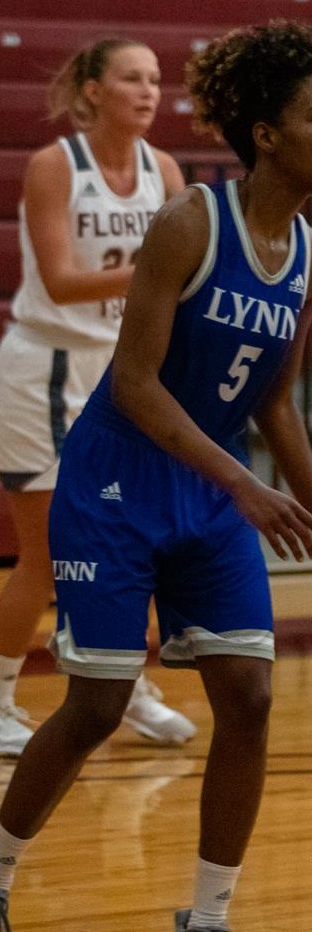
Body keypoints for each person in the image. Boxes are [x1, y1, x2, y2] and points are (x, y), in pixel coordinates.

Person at [0, 20, 312, 932]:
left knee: (250, 696)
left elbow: (276, 405)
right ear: (268, 135)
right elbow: (132, 384)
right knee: (96, 705)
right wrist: (244, 486)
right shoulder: (189, 224)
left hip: (207, 493)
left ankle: (206, 917)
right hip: (118, 477)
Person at [0, 38, 199, 756]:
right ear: (92, 89)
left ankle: (130, 689)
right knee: (48, 554)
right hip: (47, 368)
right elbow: (57, 279)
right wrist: (155, 271)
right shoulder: (57, 165)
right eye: (131, 79)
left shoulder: (164, 169)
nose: (149, 92)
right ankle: (0, 696)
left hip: (122, 371)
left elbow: (182, 280)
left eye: (155, 79)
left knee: (132, 541)